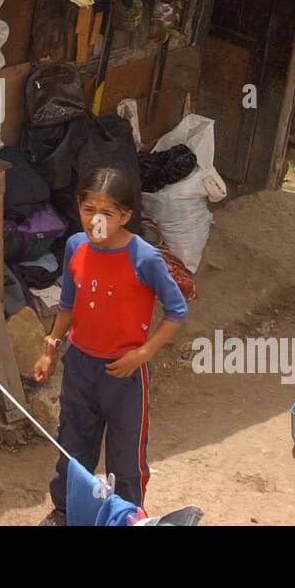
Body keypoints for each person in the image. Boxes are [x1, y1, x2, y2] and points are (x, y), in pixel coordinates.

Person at [34, 166, 189, 525]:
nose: (96, 221)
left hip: (125, 375)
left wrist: (143, 354)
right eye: (89, 209)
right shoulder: (75, 246)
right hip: (79, 367)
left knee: (126, 458)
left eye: (107, 212)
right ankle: (67, 511)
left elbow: (177, 310)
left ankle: (127, 518)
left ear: (126, 216)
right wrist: (51, 347)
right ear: (78, 207)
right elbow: (68, 305)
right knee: (73, 447)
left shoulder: (145, 258)